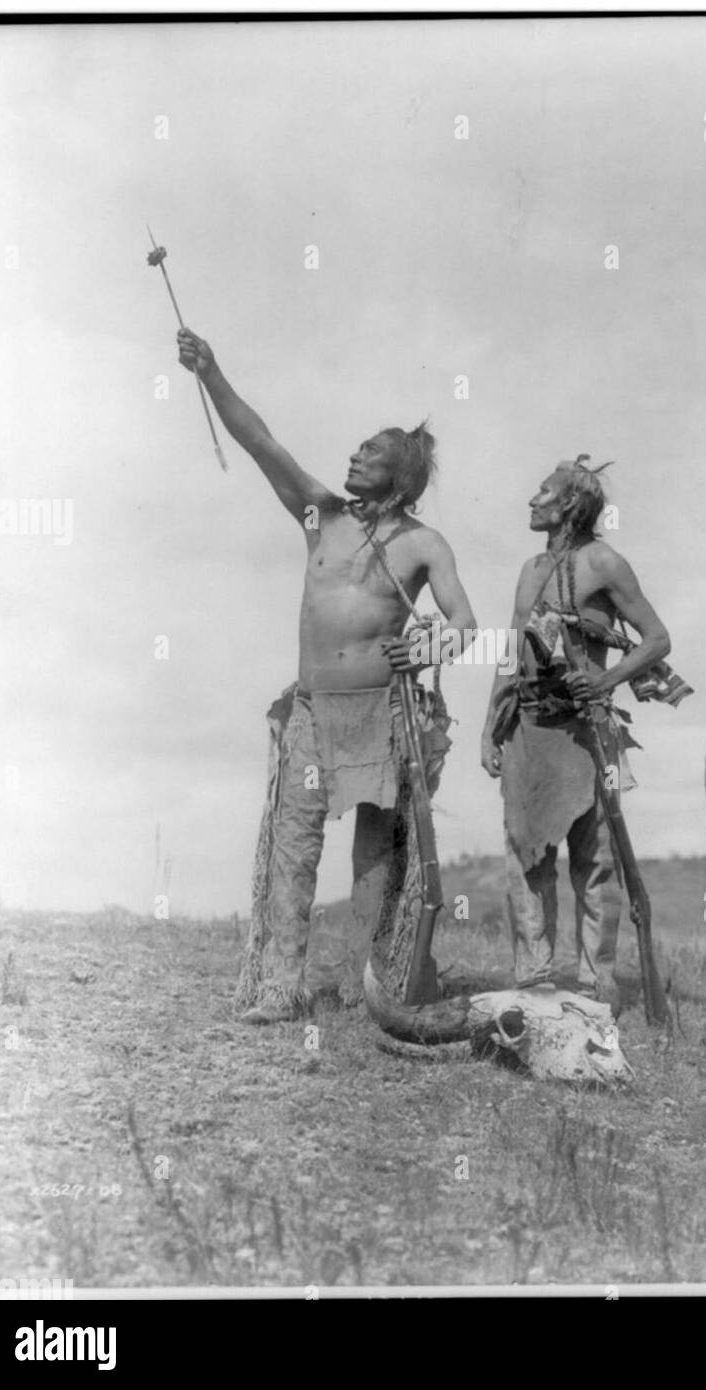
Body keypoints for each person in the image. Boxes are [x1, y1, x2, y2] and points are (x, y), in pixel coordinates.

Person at [176, 328, 477, 1023]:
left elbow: (465, 625)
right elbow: (262, 443)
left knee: (376, 850)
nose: (352, 456)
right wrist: (212, 372)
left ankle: (367, 982)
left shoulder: (424, 545)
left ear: (399, 475)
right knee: (295, 838)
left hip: (384, 714)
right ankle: (282, 984)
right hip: (313, 710)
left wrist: (428, 651)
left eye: (368, 452)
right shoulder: (321, 516)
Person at [481, 455, 672, 1011]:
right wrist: (491, 726)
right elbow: (512, 650)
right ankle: (535, 980)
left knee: (594, 861)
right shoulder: (529, 570)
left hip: (585, 731)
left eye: (542, 491)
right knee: (525, 853)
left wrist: (607, 680)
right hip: (528, 726)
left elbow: (656, 639)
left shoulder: (605, 562)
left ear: (568, 503)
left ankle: (594, 986)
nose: (531, 500)